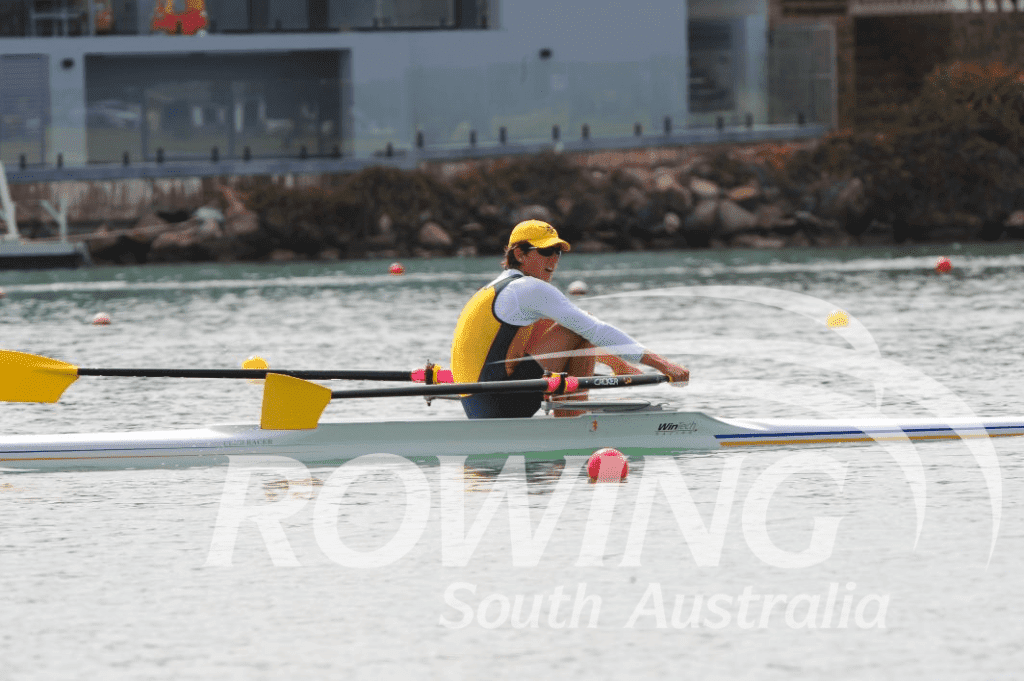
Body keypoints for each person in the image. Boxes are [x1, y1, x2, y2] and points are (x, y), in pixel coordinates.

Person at [450, 219, 689, 419]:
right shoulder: (528, 288)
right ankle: (573, 421)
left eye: (557, 252)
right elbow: (594, 330)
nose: (553, 260)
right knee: (579, 327)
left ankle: (570, 415)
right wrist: (663, 365)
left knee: (565, 326)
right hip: (499, 405)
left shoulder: (498, 289)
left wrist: (618, 365)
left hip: (480, 404)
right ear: (519, 254)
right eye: (545, 251)